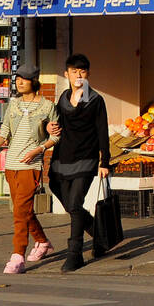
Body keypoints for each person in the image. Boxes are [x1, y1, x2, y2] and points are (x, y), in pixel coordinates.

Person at [0, 66, 57, 274]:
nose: (19, 82)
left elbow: (56, 137)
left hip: (30, 165)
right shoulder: (13, 105)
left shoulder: (47, 106)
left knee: (20, 212)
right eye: (18, 79)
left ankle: (17, 256)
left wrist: (38, 150)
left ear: (34, 82)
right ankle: (42, 241)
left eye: (24, 79)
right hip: (11, 164)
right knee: (23, 210)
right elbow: (4, 133)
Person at [46, 54, 110, 272]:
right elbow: (56, 125)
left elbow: (103, 132)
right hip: (62, 157)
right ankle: (100, 235)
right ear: (67, 74)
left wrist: (105, 161)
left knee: (74, 204)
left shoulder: (95, 100)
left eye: (82, 71)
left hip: (86, 158)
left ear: (88, 74)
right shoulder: (63, 98)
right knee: (56, 188)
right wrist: (49, 129)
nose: (78, 75)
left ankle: (75, 254)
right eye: (74, 71)